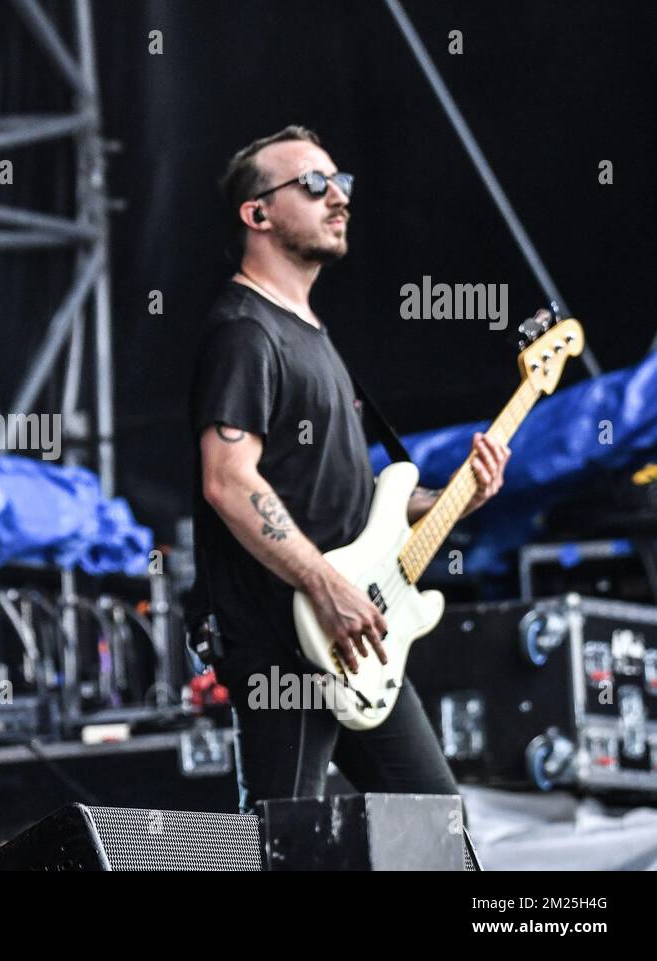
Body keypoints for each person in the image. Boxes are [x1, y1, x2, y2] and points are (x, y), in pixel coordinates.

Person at [190, 125, 511, 812]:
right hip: (289, 638)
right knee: (286, 847)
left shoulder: (310, 334)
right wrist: (326, 585)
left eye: (341, 183)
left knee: (438, 841)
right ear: (259, 213)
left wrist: (458, 498)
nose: (337, 197)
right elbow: (228, 478)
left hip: (358, 634)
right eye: (313, 183)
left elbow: (347, 499)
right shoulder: (245, 332)